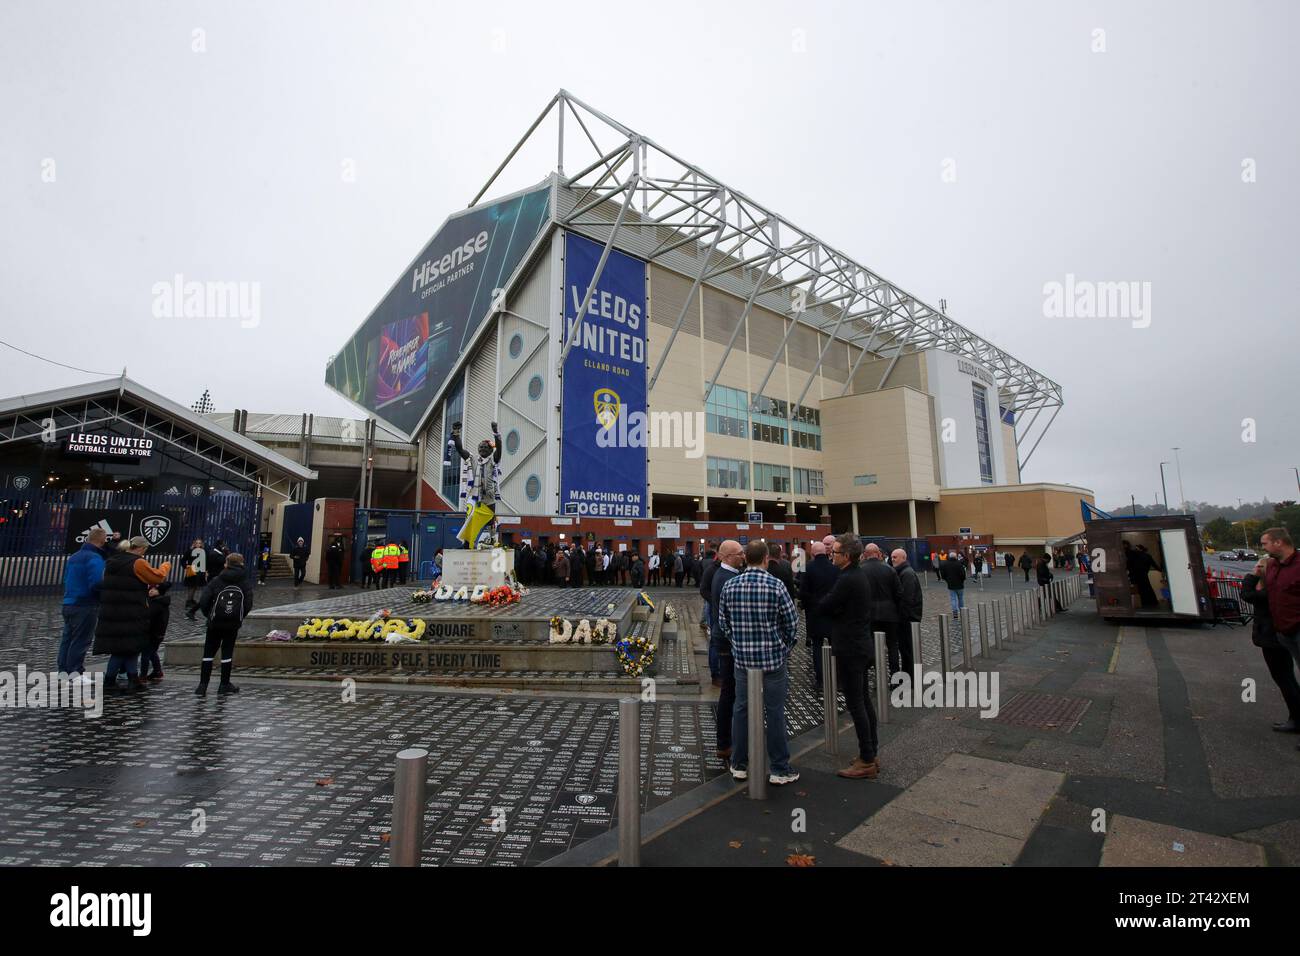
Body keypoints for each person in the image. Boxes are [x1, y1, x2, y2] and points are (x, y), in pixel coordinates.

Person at [717, 540, 800, 785]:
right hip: (773, 660)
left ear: (746, 558)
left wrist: (738, 644)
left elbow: (723, 623)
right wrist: (783, 647)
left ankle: (739, 765)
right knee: (774, 712)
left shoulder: (730, 586)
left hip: (742, 660)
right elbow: (792, 623)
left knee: (741, 710)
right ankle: (779, 769)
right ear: (765, 559)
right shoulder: (776, 586)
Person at [817, 533, 880, 779]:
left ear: (846, 556)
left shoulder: (848, 579)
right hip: (860, 644)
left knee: (857, 703)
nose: (831, 555)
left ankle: (866, 759)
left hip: (851, 648)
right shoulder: (856, 575)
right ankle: (870, 752)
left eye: (835, 552)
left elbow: (826, 605)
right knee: (863, 700)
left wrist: (826, 604)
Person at [94, 537, 171, 694]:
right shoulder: (138, 562)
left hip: (112, 610)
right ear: (142, 549)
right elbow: (156, 577)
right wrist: (165, 567)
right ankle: (110, 681)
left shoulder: (111, 561)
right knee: (124, 648)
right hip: (131, 611)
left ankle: (133, 679)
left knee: (129, 648)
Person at [1240, 556, 1300, 735]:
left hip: (1272, 637)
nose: (1256, 568)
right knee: (1284, 677)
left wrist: (1251, 576)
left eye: (1259, 565)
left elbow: (1247, 595)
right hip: (1273, 636)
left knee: (1284, 677)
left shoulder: (1269, 589)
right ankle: (1295, 716)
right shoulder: (1272, 587)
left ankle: (1296, 718)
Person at [196, 552, 254, 695]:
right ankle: (224, 684)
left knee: (208, 653)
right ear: (242, 564)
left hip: (214, 623)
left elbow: (203, 601)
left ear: (226, 564)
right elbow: (248, 604)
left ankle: (202, 685)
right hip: (232, 623)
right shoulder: (244, 582)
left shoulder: (217, 580)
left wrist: (210, 615)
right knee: (227, 653)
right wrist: (238, 617)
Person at [709, 541, 745, 759]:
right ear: (729, 556)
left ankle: (728, 739)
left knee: (730, 691)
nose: (743, 556)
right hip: (726, 642)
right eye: (740, 553)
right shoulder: (727, 579)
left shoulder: (726, 574)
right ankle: (724, 742)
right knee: (729, 691)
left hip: (723, 639)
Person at [58, 527, 108, 683]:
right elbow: (97, 582)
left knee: (67, 639)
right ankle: (75, 672)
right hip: (86, 603)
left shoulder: (74, 557)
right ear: (102, 540)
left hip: (69, 602)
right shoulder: (94, 558)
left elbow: (66, 579)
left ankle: (63, 672)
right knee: (81, 640)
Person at [799, 540, 839, 692]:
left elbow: (803, 592)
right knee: (835, 645)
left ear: (813, 553)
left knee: (817, 646)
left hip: (815, 614)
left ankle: (820, 680)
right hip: (832, 613)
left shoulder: (807, 568)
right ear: (826, 552)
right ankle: (836, 678)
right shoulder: (835, 568)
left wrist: (811, 603)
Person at [862, 543, 904, 679]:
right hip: (890, 614)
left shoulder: (861, 570)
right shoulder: (889, 569)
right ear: (878, 553)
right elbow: (899, 593)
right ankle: (895, 677)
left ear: (865, 554)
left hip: (870, 614)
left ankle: (878, 676)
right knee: (892, 645)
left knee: (873, 645)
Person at [1262, 529, 1300, 670]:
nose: (1263, 548)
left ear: (1278, 542)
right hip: (1283, 631)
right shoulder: (1272, 565)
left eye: (1265, 543)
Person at [890, 548, 923, 684]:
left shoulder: (907, 574)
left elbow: (907, 598)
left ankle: (910, 677)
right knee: (905, 649)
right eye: (892, 557)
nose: (892, 559)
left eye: (895, 557)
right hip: (908, 617)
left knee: (908, 649)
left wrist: (902, 617)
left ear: (903, 558)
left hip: (909, 618)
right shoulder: (902, 572)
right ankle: (908, 676)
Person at [139, 580, 171, 682]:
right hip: (156, 634)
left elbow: (148, 617)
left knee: (145, 654)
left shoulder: (157, 603)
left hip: (152, 633)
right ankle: (157, 671)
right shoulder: (155, 601)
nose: (151, 591)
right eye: (151, 588)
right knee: (152, 652)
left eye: (155, 589)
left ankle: (142, 675)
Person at [1121, 540, 1160, 609]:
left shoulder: (1130, 553)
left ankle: (1140, 603)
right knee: (1147, 588)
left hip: (1136, 575)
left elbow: (1129, 564)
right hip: (1143, 574)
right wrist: (1160, 570)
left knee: (1138, 589)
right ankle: (1151, 602)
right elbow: (1154, 565)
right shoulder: (1146, 555)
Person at [183, 537, 207, 619]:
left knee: (195, 586)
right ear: (194, 543)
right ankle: (189, 601)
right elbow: (183, 560)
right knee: (191, 586)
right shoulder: (190, 551)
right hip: (193, 570)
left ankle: (191, 600)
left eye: (200, 543)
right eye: (197, 543)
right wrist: (186, 566)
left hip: (200, 571)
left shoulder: (204, 551)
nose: (198, 544)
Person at [939, 550, 967, 617]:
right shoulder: (959, 564)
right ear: (956, 557)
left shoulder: (946, 564)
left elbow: (943, 574)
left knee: (953, 598)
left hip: (951, 584)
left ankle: (955, 612)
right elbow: (963, 574)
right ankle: (962, 610)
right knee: (960, 598)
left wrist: (947, 580)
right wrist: (962, 580)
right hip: (960, 584)